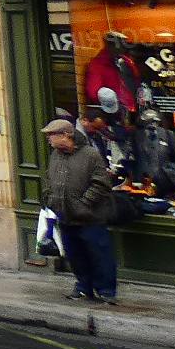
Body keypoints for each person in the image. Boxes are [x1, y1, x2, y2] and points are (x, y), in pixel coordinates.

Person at [42, 115, 118, 304]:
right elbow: (49, 179)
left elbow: (101, 183)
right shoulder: (55, 155)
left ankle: (105, 290)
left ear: (66, 135)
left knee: (99, 255)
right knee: (75, 256)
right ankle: (83, 286)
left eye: (51, 135)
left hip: (90, 217)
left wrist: (84, 204)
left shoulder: (90, 154)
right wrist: (50, 198)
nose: (48, 139)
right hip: (65, 216)